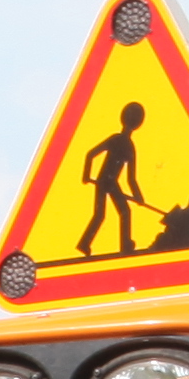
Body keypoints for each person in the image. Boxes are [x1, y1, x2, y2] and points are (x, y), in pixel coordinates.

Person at [69, 102, 152, 260]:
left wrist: (139, 196)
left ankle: (90, 243)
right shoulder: (125, 144)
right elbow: (91, 154)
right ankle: (120, 245)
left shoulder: (123, 143)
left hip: (108, 182)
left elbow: (131, 178)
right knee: (114, 213)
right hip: (106, 181)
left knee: (108, 213)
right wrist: (85, 175)